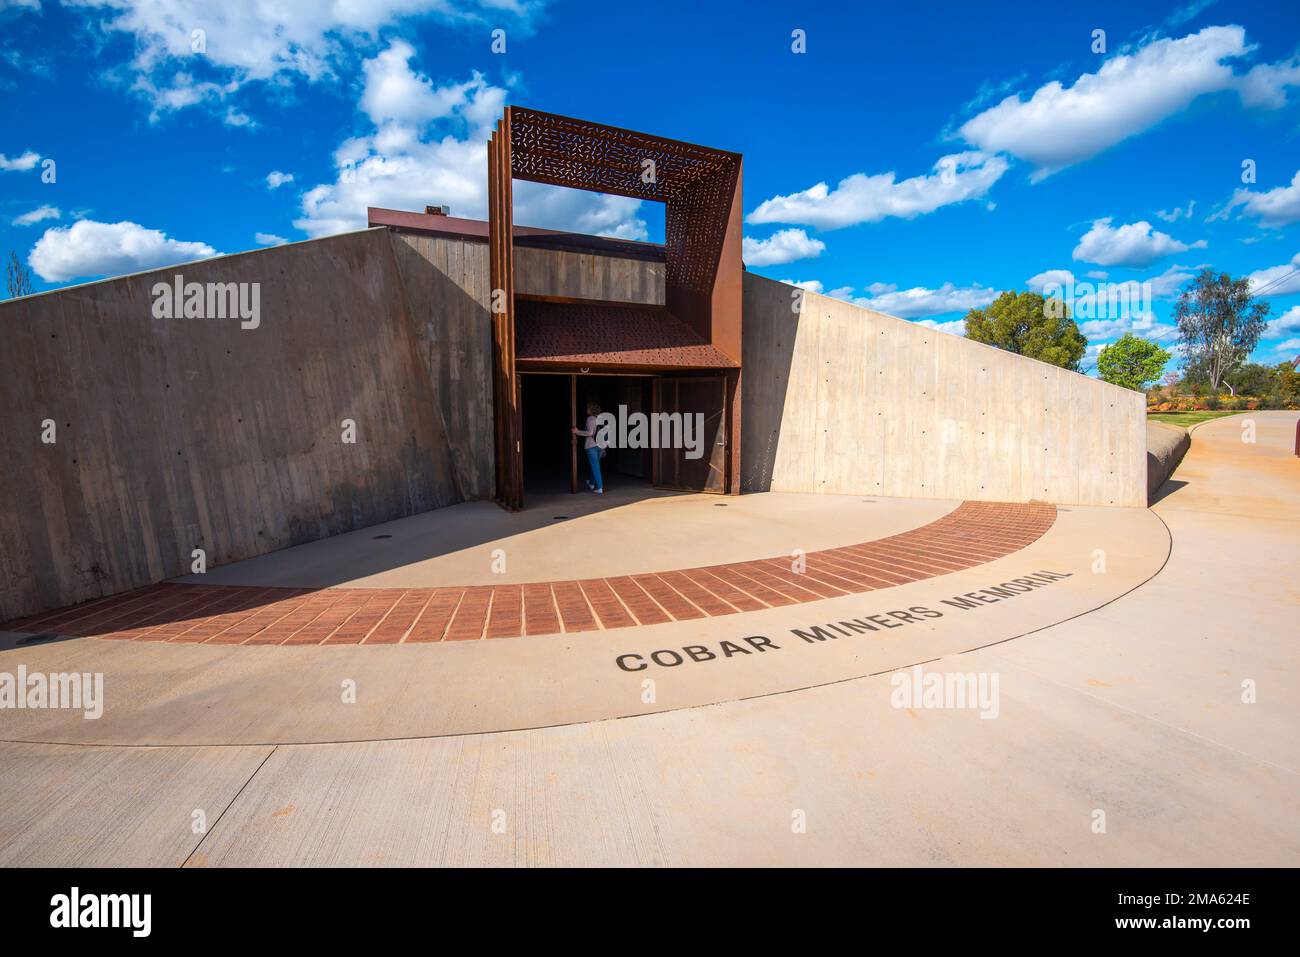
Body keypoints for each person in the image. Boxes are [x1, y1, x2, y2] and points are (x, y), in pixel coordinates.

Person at [571, 401, 604, 494]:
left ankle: (600, 487)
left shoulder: (590, 419)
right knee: (595, 465)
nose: (587, 409)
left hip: (591, 445)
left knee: (595, 466)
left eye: (588, 408)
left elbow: (590, 433)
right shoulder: (601, 419)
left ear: (591, 410)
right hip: (600, 445)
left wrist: (577, 432)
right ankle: (592, 483)